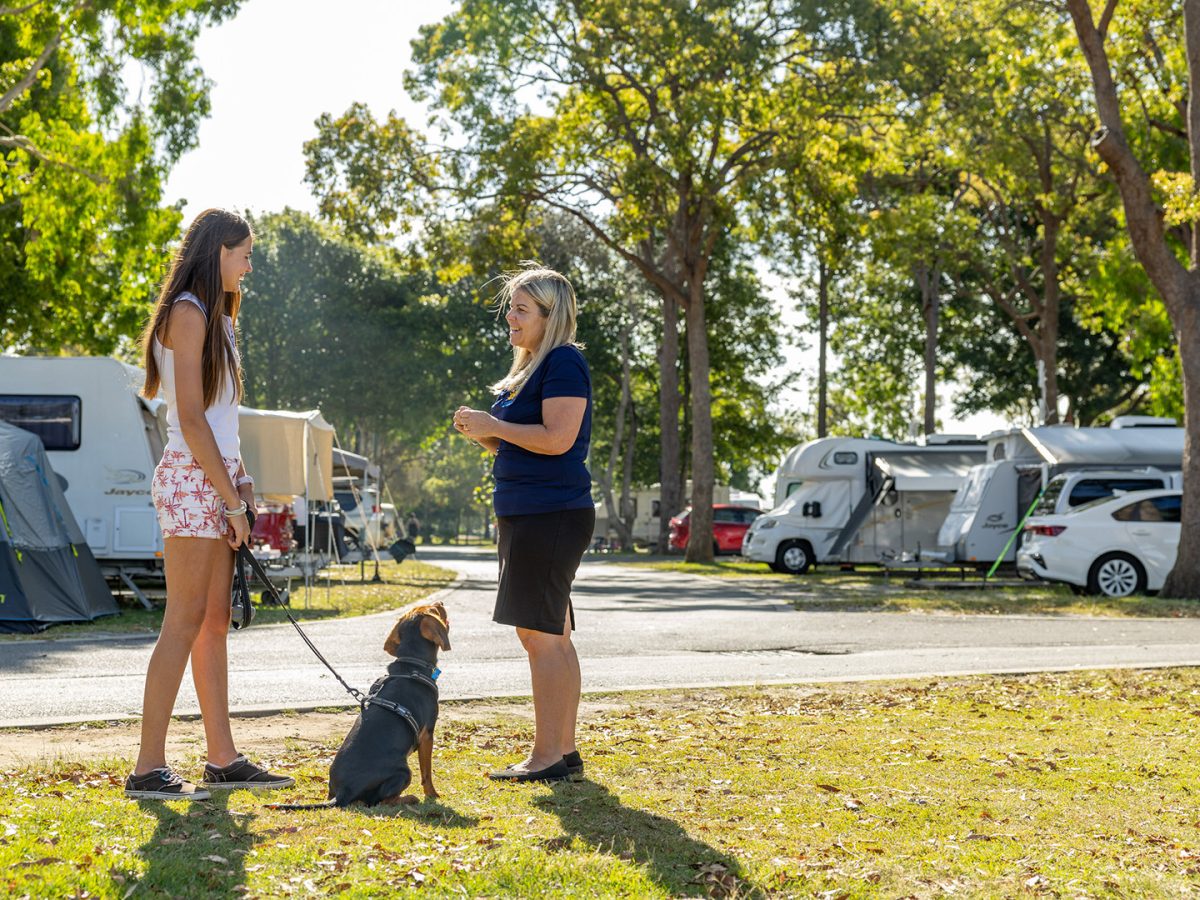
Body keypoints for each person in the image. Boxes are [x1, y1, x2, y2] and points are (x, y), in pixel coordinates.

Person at [125, 208, 293, 801]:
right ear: (216, 251)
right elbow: (190, 420)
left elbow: (222, 424)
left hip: (216, 480)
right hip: (191, 481)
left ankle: (221, 758)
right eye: (243, 254)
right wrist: (229, 499)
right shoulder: (187, 314)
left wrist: (242, 485)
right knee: (184, 620)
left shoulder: (218, 318)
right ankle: (148, 767)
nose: (248, 265)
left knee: (215, 623)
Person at [453, 265, 594, 783]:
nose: (509, 317)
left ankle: (547, 757)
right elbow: (524, 440)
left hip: (548, 514)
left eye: (520, 309)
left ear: (550, 317)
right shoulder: (536, 366)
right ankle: (565, 751)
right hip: (534, 513)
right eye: (510, 307)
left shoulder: (562, 362)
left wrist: (495, 424)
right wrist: (485, 434)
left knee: (539, 636)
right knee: (551, 634)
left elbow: (558, 439)